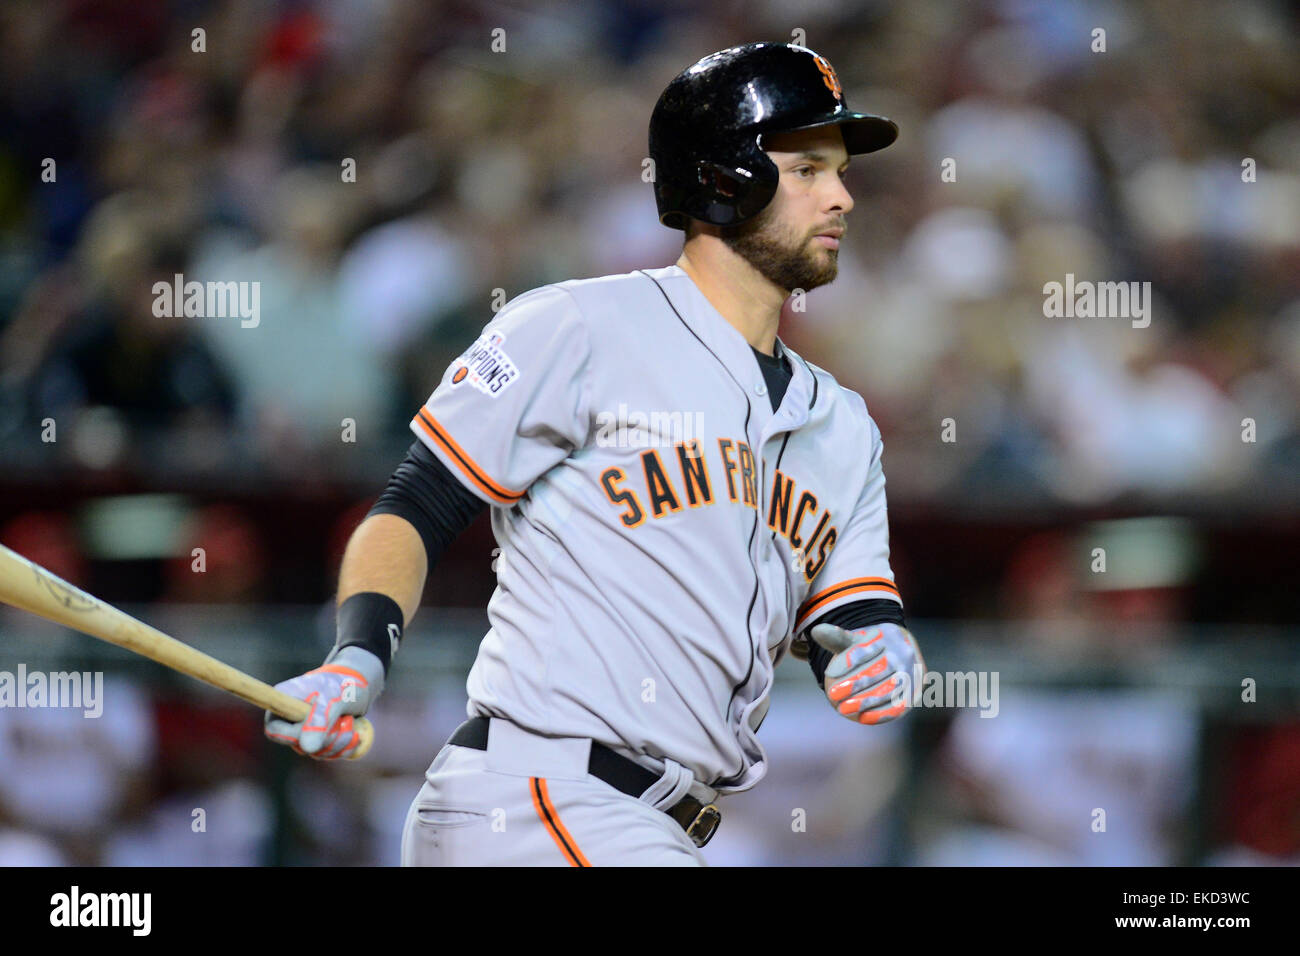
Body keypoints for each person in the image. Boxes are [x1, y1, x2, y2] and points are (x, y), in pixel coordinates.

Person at [265, 42, 926, 866]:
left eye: (840, 171)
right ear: (724, 178)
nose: (842, 197)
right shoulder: (579, 327)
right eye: (808, 169)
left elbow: (850, 616)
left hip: (647, 824)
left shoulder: (844, 425)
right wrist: (356, 655)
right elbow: (416, 504)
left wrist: (882, 649)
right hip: (537, 799)